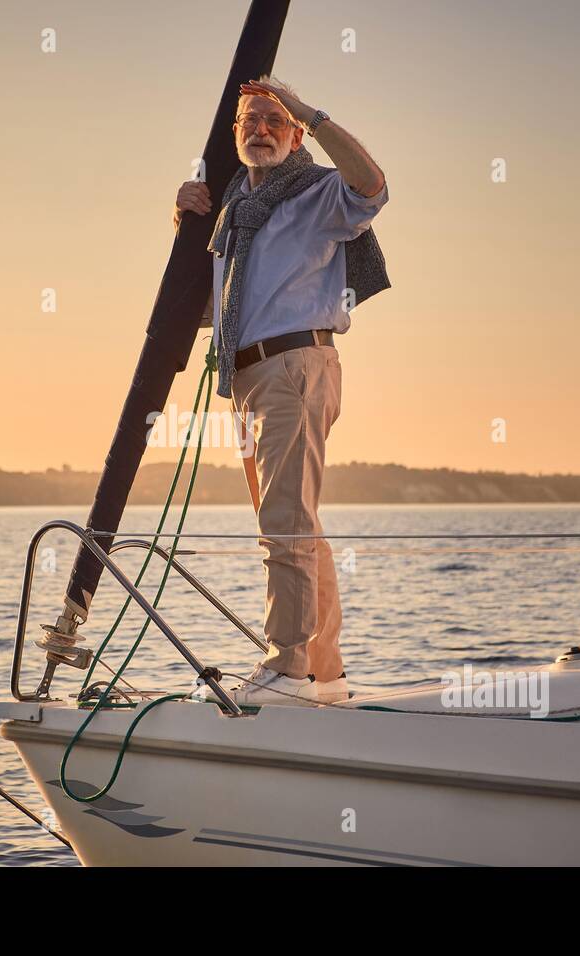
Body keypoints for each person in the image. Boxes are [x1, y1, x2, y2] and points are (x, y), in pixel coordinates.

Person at [173, 76, 390, 706]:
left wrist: (311, 111)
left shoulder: (319, 191)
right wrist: (184, 227)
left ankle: (288, 671)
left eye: (275, 120)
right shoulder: (234, 213)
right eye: (250, 121)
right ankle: (323, 674)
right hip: (247, 375)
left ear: (295, 133)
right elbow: (210, 313)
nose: (260, 130)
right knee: (296, 526)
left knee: (286, 527)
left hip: (294, 365)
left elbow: (373, 186)